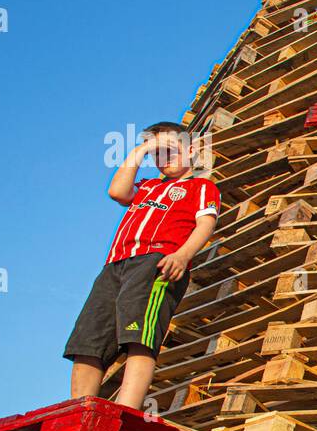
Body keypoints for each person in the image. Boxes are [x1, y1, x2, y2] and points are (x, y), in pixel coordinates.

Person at [64, 122, 219, 410]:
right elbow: (117, 192)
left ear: (192, 150)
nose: (165, 158)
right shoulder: (145, 187)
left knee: (140, 336)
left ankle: (125, 411)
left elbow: (205, 223)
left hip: (157, 262)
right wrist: (141, 150)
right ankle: (79, 412)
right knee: (89, 341)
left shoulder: (201, 187)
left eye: (171, 150)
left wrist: (183, 255)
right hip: (115, 264)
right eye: (158, 153)